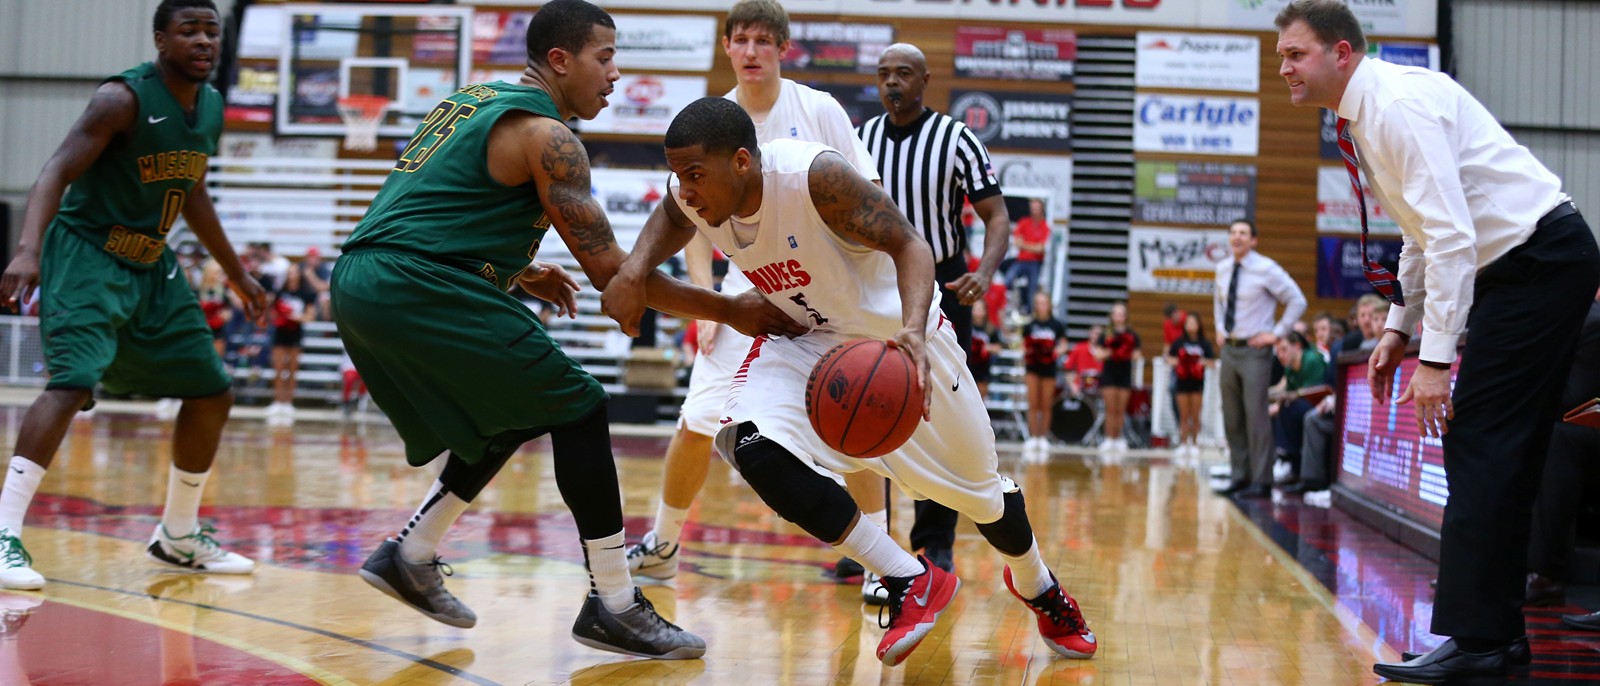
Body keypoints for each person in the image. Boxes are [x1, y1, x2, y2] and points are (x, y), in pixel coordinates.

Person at [329, 0, 802, 658]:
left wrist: (520, 270)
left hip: (367, 278)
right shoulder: (551, 138)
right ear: (560, 60)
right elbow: (615, 277)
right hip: (417, 286)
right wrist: (730, 309)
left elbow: (435, 204)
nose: (614, 74)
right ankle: (614, 601)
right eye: (604, 58)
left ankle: (411, 552)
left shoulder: (473, 99)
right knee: (581, 404)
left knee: (517, 411)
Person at [604, 96, 1098, 667]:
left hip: (898, 342)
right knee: (746, 442)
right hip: (806, 342)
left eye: (693, 176)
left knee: (983, 498)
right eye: (677, 176)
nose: (684, 190)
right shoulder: (692, 192)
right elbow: (668, 216)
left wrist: (913, 329)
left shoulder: (814, 178)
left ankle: (1038, 585)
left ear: (742, 162)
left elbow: (912, 245)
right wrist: (637, 268)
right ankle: (907, 575)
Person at [1275, 1, 1600, 679]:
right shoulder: (1368, 112)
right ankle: (1495, 637)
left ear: (1341, 52)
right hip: (1527, 266)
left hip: (1537, 262)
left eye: (1294, 54)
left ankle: (1483, 642)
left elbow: (1450, 236)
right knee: (1497, 449)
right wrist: (1396, 326)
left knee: (1481, 440)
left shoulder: (1394, 107)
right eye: (1282, 55)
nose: (1283, 68)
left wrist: (1434, 358)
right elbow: (1423, 235)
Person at [621, 0, 892, 604]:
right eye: (740, 39)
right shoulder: (711, 119)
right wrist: (707, 304)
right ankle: (664, 546)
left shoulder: (816, 109)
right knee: (697, 423)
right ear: (726, 48)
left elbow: (868, 195)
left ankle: (880, 560)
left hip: (824, 293)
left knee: (852, 423)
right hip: (745, 296)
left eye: (763, 41)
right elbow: (686, 216)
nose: (750, 51)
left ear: (782, 49)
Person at [0, 0, 268, 589]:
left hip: (152, 264)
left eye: (211, 31)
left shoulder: (213, 106)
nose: (203, 41)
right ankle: (4, 533)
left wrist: (237, 272)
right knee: (70, 383)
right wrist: (27, 249)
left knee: (212, 393)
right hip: (88, 253)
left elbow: (191, 191)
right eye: (189, 30)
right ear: (160, 39)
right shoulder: (120, 99)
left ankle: (177, 536)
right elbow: (55, 171)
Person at [857, 42, 1012, 577]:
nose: (891, 83)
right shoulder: (861, 139)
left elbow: (997, 216)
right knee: (860, 404)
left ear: (924, 80)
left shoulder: (957, 138)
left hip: (944, 285)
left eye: (902, 74)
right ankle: (870, 541)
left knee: (935, 412)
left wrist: (986, 273)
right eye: (883, 74)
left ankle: (934, 542)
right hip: (875, 286)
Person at [1212, 219, 1307, 499]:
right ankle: (1239, 475)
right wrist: (1219, 326)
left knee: (1256, 416)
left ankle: (1261, 480)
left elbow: (1297, 300)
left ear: (1253, 240)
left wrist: (1276, 334)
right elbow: (1219, 301)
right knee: (1232, 416)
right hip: (1229, 349)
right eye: (1232, 233)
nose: (1237, 237)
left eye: (1243, 233)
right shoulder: (1222, 268)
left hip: (1255, 351)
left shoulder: (1266, 268)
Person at [1268, 330, 1326, 488]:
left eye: (1284, 349)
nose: (1280, 355)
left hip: (1320, 407)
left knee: (1288, 409)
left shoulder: (1311, 360)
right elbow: (1285, 391)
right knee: (1279, 410)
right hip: (1300, 407)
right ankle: (1285, 462)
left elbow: (1314, 393)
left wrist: (1282, 402)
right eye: (1278, 351)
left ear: (1297, 346)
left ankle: (1288, 460)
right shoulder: (1290, 368)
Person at [1020, 291, 1068, 453]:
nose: (1041, 306)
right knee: (1033, 403)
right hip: (1033, 368)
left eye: (1044, 302)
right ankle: (1033, 437)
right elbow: (1023, 346)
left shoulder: (1057, 325)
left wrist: (1054, 352)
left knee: (1046, 404)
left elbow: (1063, 345)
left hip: (1049, 368)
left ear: (1049, 305)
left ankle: (1043, 437)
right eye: (1038, 303)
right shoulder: (1029, 325)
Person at [1092, 302, 1141, 453]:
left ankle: (1118, 438)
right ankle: (1109, 438)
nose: (1119, 316)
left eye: (1122, 313)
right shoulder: (1106, 334)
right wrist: (1111, 353)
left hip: (1124, 375)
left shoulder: (1132, 335)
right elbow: (1098, 354)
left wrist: (1126, 353)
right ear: (1112, 316)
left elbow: (1137, 354)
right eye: (1116, 314)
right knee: (1111, 409)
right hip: (1109, 375)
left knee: (1120, 409)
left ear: (1125, 316)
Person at [265, 266, 310, 425]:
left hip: (295, 332)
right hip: (280, 332)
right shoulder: (279, 293)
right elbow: (271, 312)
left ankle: (288, 402)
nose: (292, 275)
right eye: (290, 273)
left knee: (292, 369)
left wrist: (296, 317)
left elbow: (309, 316)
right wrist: (279, 316)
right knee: (278, 368)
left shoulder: (306, 293)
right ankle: (277, 401)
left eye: (295, 272)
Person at [1167, 311, 1214, 459]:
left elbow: (1212, 362)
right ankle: (1183, 443)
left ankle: (1194, 443)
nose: (1191, 326)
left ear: (1199, 325)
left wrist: (1199, 362)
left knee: (1195, 414)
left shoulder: (1204, 343)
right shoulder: (1179, 342)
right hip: (1182, 383)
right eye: (1188, 323)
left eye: (1194, 323)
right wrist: (1182, 362)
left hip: (1197, 384)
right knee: (1184, 414)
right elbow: (1169, 359)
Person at [1006, 199, 1050, 307]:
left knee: (1032, 289)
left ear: (1042, 209)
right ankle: (1010, 305)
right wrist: (1033, 246)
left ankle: (1031, 312)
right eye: (1032, 207)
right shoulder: (1024, 222)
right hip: (1021, 261)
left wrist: (1024, 245)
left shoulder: (1045, 226)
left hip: (1035, 263)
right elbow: (1017, 243)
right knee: (1008, 279)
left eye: (1036, 208)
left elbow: (1040, 249)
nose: (1034, 210)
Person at [967, 298, 1002, 401]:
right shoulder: (967, 326)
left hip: (983, 369)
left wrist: (987, 347)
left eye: (980, 309)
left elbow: (998, 348)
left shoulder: (990, 329)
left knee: (980, 400)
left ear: (985, 311)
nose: (978, 311)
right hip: (968, 366)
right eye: (975, 308)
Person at [1063, 323, 1103, 399]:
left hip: (1100, 389)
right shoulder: (1079, 348)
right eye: (1095, 333)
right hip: (1080, 387)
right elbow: (1067, 368)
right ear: (1089, 333)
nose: (1097, 336)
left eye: (1099, 334)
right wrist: (1072, 385)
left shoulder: (1105, 352)